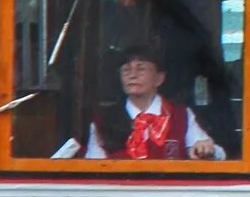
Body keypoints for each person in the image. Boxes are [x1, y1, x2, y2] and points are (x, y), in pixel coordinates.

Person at [57, 43, 225, 161]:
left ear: (159, 78)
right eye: (126, 69)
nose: (133, 74)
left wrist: (207, 149)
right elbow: (94, 165)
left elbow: (216, 154)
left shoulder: (180, 115)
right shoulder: (102, 120)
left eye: (141, 68)